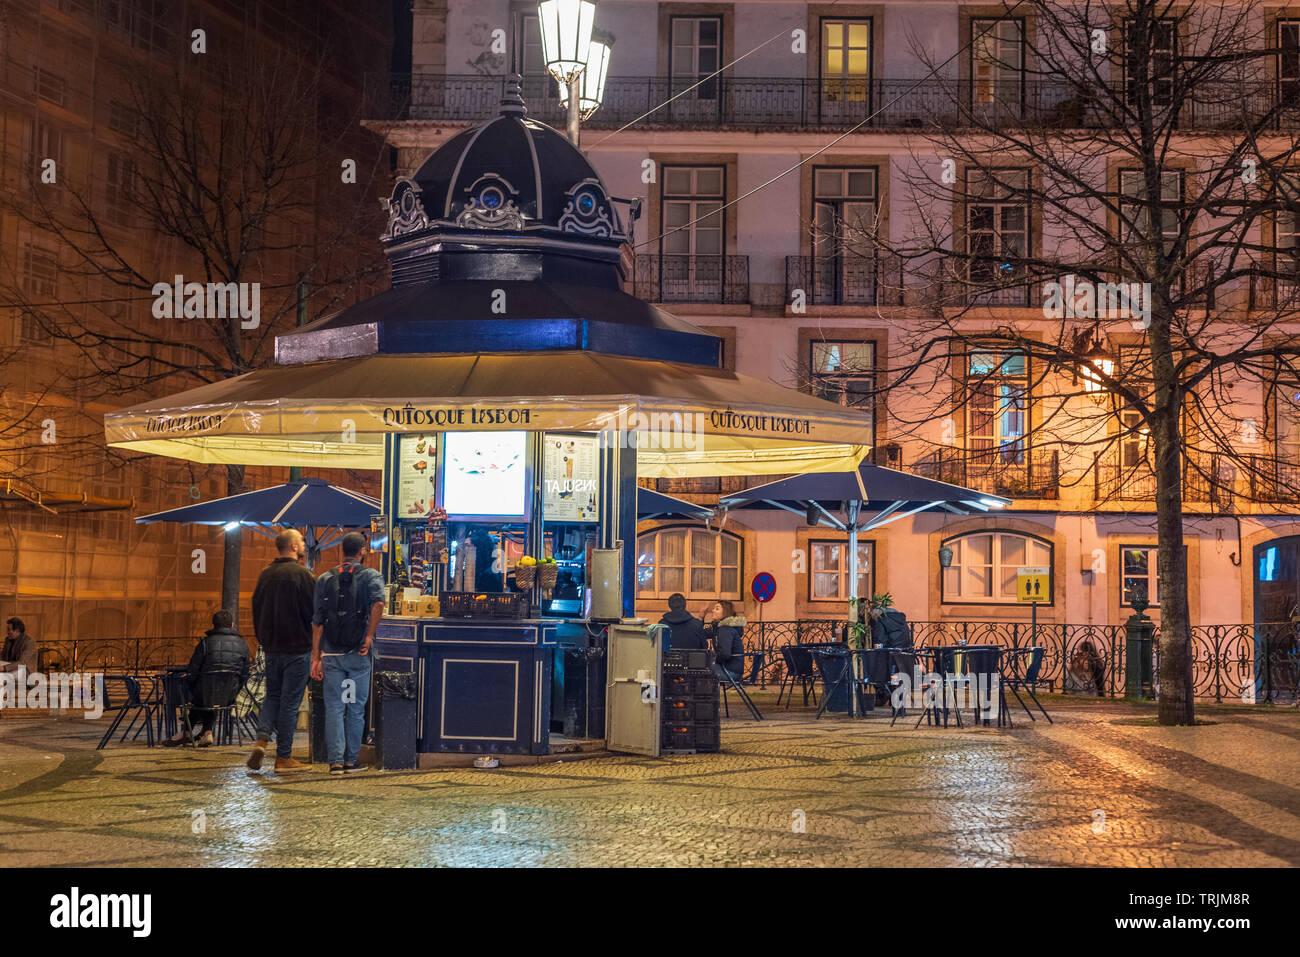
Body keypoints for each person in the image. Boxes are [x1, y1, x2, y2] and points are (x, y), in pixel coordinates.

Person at [311, 532, 385, 775]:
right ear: (362, 550)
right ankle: (351, 760)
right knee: (354, 705)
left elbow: (317, 620)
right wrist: (369, 636)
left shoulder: (324, 578)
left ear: (343, 550)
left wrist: (316, 655)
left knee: (334, 707)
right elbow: (378, 604)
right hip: (357, 653)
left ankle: (334, 762)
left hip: (331, 654)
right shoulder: (370, 576)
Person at [247, 529, 316, 773]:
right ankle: (283, 758)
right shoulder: (303, 576)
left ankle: (261, 740)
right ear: (295, 547)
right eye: (301, 542)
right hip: (297, 648)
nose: (304, 546)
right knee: (290, 703)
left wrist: (263, 640)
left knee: (272, 696)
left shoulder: (265, 575)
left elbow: (255, 610)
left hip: (272, 647)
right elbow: (314, 614)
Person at [163, 610, 250, 747]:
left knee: (204, 695)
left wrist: (192, 687)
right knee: (212, 695)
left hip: (203, 694)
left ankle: (190, 732)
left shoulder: (205, 643)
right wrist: (235, 689)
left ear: (213, 625)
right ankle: (205, 732)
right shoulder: (242, 644)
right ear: (232, 625)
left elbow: (192, 670)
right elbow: (245, 673)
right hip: (229, 695)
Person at [703, 599, 746, 682]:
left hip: (730, 671)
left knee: (699, 670)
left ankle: (703, 695)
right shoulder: (719, 627)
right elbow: (702, 635)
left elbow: (725, 654)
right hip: (728, 669)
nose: (713, 610)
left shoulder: (725, 629)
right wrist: (701, 618)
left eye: (717, 608)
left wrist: (712, 659)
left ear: (725, 612)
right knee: (700, 667)